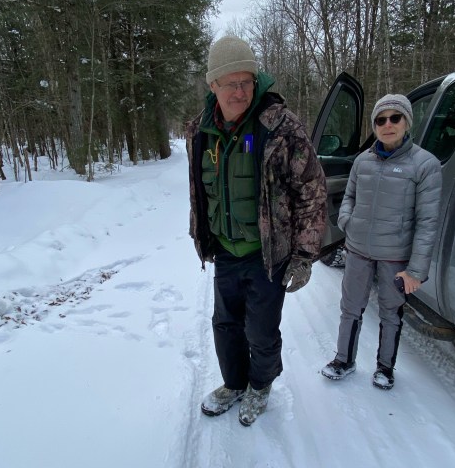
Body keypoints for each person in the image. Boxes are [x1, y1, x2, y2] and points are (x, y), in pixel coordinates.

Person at [187, 35, 327, 426]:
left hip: (268, 256)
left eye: (246, 81)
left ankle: (260, 385)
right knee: (225, 325)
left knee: (261, 332)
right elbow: (202, 189)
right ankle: (234, 383)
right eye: (229, 83)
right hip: (225, 252)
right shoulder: (200, 131)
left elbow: (312, 191)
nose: (240, 91)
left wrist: (304, 255)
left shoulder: (280, 127)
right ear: (212, 86)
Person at [321, 93, 442, 390]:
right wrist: (347, 221)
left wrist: (416, 271)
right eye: (380, 120)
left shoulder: (425, 165)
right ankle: (343, 359)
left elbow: (427, 223)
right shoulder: (362, 161)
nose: (388, 124)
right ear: (374, 125)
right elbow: (348, 196)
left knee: (391, 312)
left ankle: (385, 368)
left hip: (394, 256)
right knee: (350, 307)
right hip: (358, 250)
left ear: (406, 122)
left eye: (395, 118)